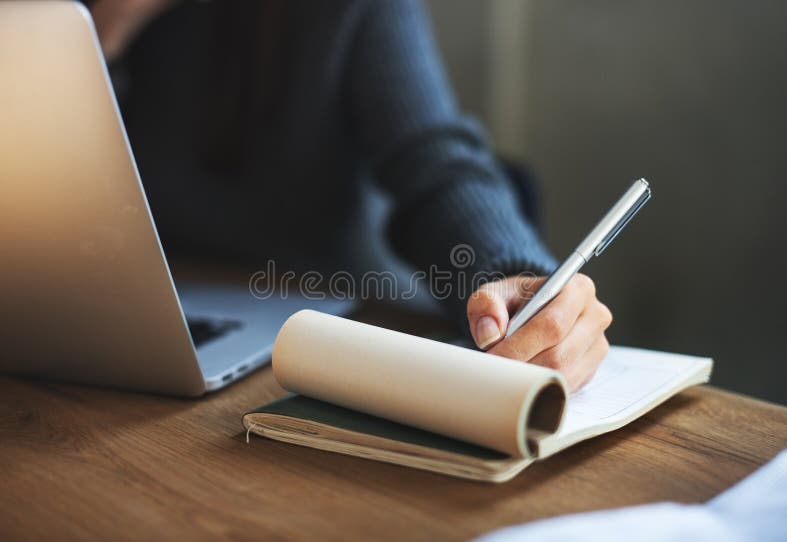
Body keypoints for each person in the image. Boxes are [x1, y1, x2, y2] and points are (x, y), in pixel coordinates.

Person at [87, 0, 612, 390]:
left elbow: (435, 167)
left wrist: (512, 275)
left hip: (343, 341)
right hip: (143, 339)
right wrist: (106, 31)